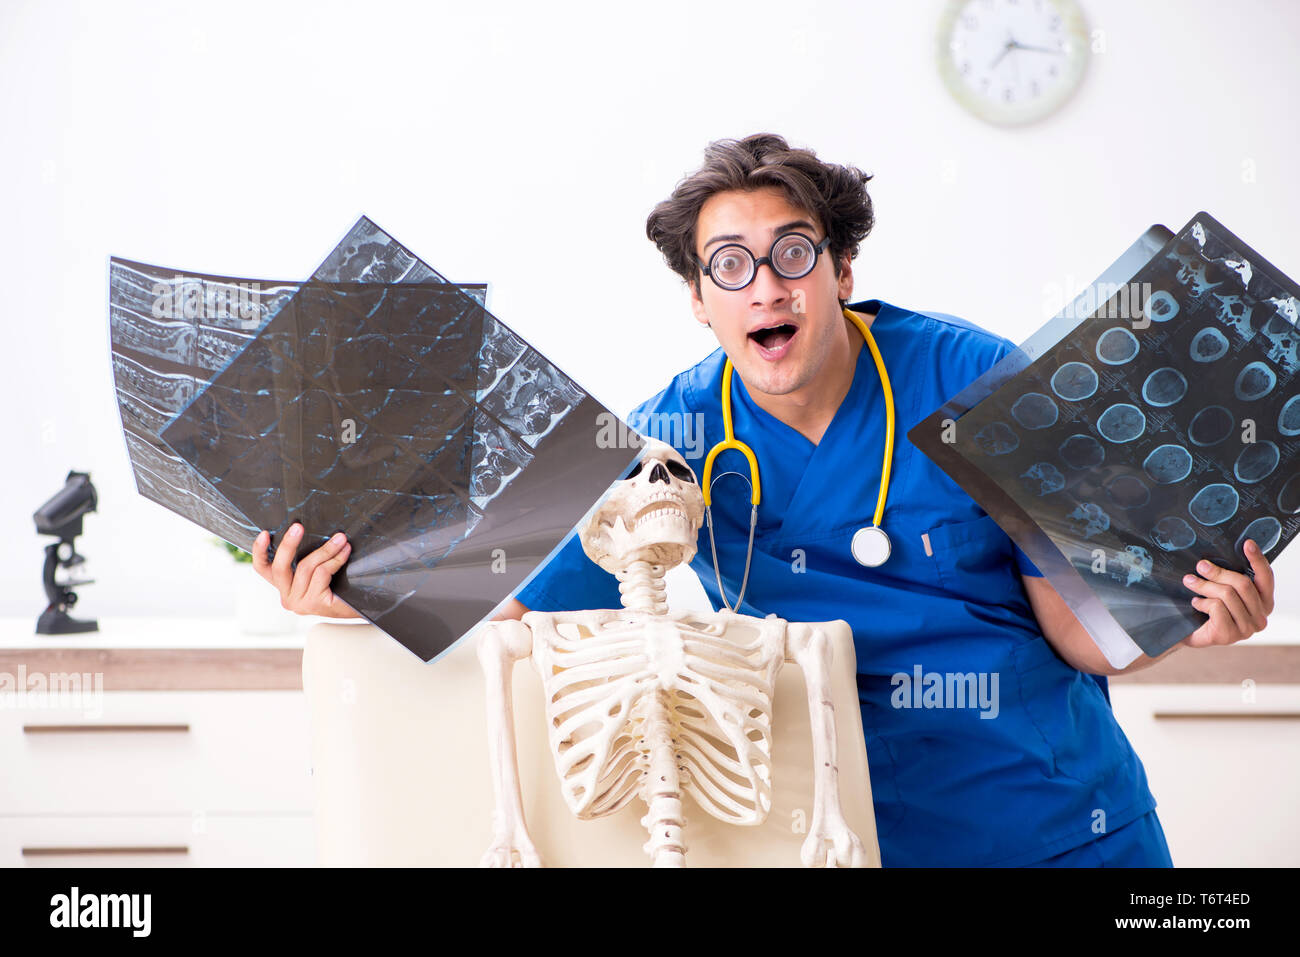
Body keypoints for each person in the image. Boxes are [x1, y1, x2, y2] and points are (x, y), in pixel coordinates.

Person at [254, 134, 1277, 867]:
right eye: (728, 267)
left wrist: (1187, 618)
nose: (765, 287)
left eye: (794, 254)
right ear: (699, 302)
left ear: (836, 269)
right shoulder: (669, 434)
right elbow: (514, 592)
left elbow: (1079, 630)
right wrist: (340, 594)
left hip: (1055, 824)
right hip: (845, 832)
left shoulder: (973, 377)